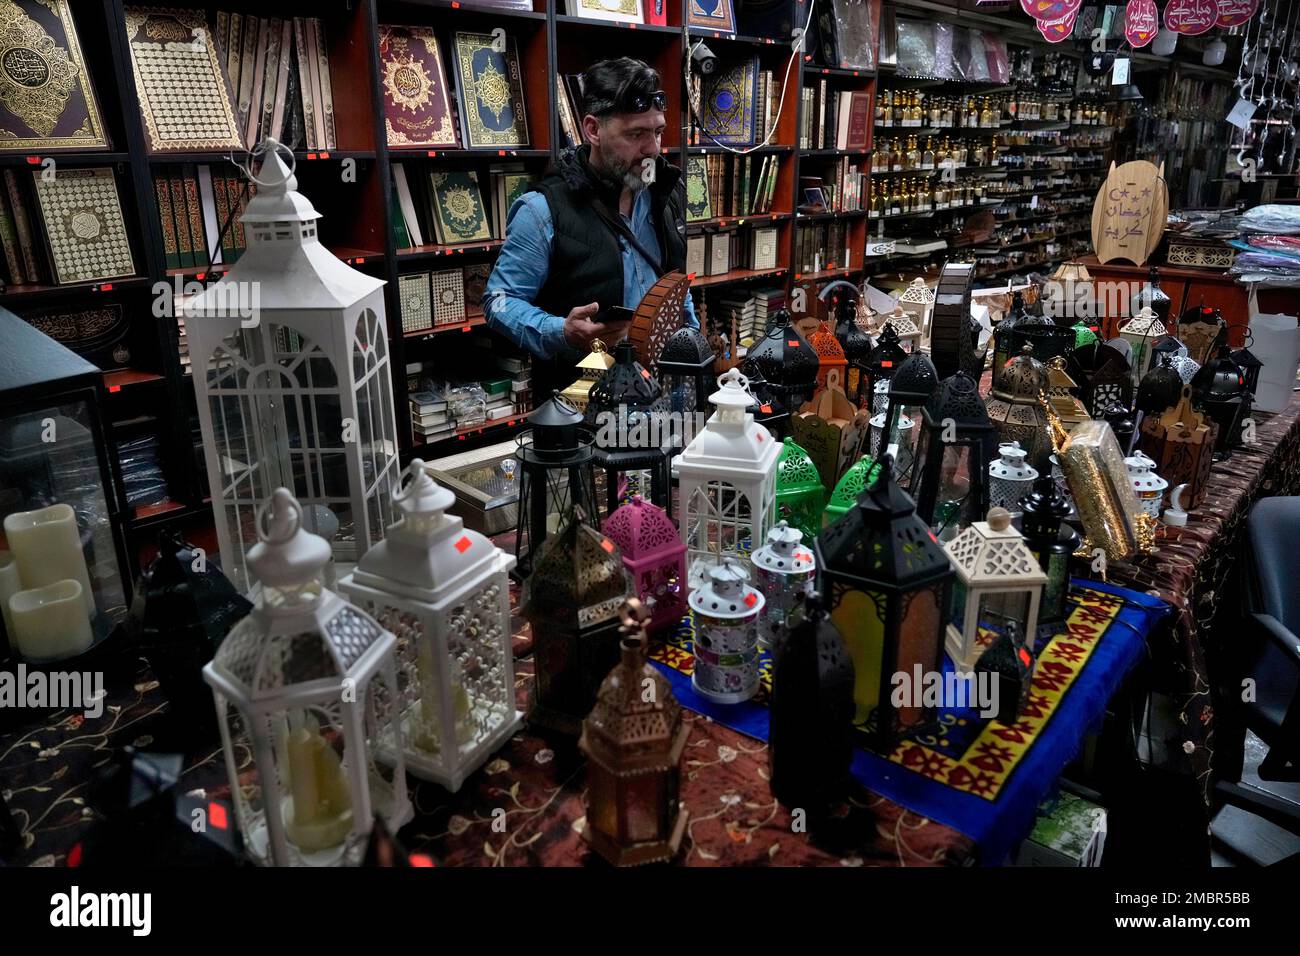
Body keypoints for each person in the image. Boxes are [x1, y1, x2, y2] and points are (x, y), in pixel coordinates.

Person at [484, 57, 699, 400]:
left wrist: (692, 341)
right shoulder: (541, 210)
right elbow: (499, 301)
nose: (653, 149)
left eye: (658, 131)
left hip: (664, 390)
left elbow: (675, 282)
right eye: (636, 134)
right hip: (581, 403)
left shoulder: (668, 191)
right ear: (593, 129)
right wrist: (561, 331)